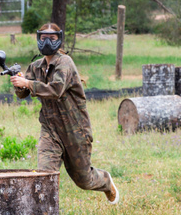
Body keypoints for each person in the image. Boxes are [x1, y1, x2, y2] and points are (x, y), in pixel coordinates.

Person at [10, 23, 119, 204]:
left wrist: (27, 83)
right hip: (50, 129)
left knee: (84, 180)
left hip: (75, 130)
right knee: (45, 175)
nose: (47, 42)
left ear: (59, 40)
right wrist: (18, 82)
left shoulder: (65, 63)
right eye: (43, 38)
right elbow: (22, 94)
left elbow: (56, 90)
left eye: (52, 38)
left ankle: (106, 181)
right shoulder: (36, 67)